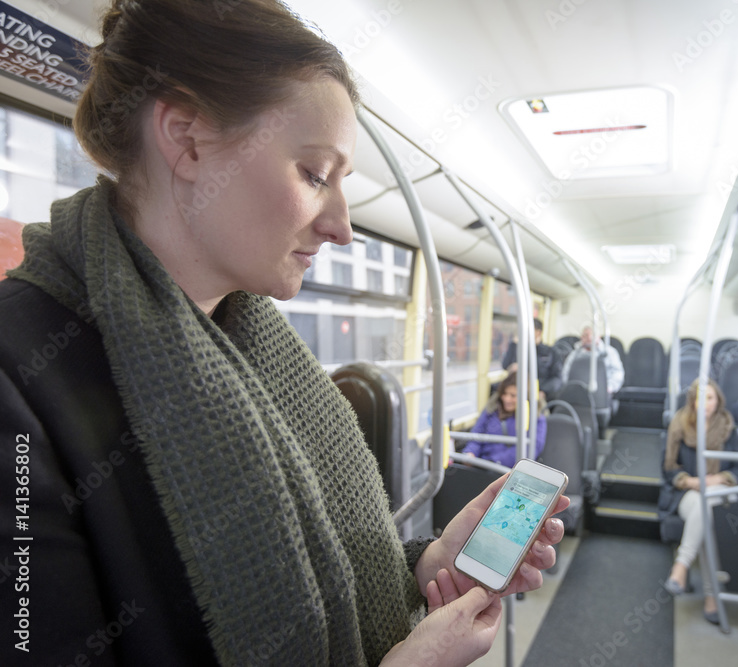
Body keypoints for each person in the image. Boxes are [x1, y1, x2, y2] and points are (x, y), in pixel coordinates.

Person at [0, 1, 569, 664]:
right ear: (186, 140)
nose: (343, 225)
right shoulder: (21, 377)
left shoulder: (253, 347)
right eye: (314, 174)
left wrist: (426, 563)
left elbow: (327, 583)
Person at [660, 379, 738, 624]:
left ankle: (682, 565)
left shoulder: (730, 428)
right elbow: (668, 469)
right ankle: (712, 597)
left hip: (722, 490)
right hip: (689, 491)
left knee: (707, 505)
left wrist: (717, 479)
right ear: (693, 402)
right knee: (706, 513)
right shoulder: (679, 424)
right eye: (701, 398)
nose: (706, 404)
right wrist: (691, 482)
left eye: (710, 398)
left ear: (718, 400)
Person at [464, 372, 547, 467]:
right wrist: (470, 453)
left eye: (513, 396)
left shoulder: (535, 418)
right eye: (504, 394)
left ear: (525, 397)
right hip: (482, 464)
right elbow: (476, 435)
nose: (507, 399)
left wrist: (496, 462)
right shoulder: (492, 409)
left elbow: (531, 448)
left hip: (507, 470)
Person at [501, 317, 563, 399]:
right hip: (518, 394)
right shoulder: (519, 349)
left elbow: (557, 379)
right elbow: (505, 365)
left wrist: (543, 391)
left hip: (539, 394)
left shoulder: (552, 353)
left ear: (538, 332)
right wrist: (514, 345)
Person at [561, 325, 625, 396]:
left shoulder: (610, 352)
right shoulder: (574, 354)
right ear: (581, 338)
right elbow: (565, 373)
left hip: (603, 393)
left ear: (599, 337)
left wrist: (609, 387)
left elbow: (617, 373)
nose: (589, 338)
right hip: (577, 393)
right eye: (585, 335)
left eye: (592, 335)